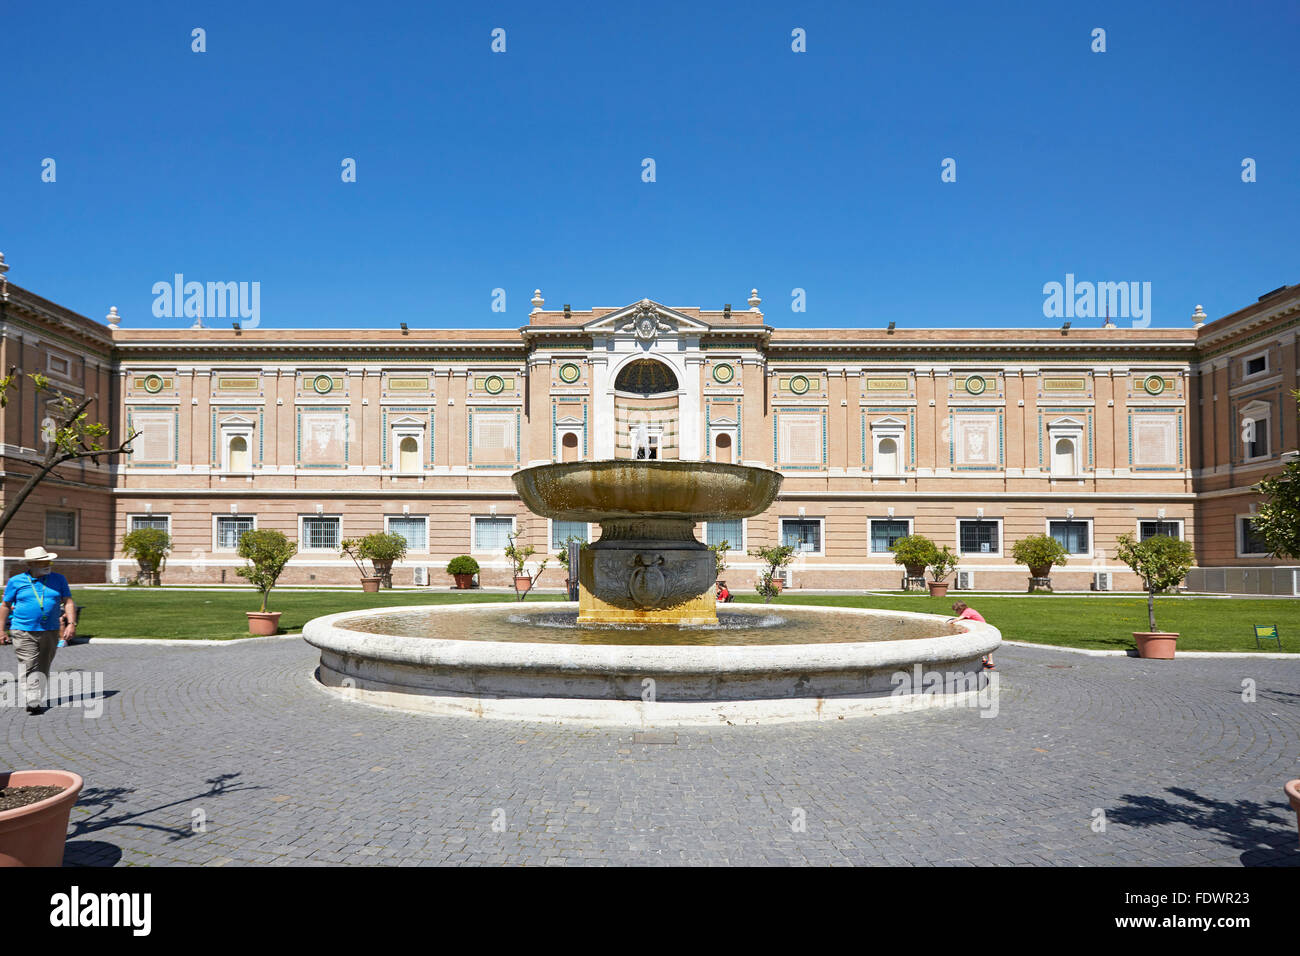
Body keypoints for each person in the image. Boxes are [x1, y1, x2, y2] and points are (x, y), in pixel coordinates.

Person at [2, 547, 76, 715]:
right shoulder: (16, 581)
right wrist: (1, 630)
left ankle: (36, 696)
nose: (47, 565)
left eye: (48, 561)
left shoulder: (59, 579)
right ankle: (32, 699)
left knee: (43, 665)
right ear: (30, 564)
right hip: (22, 630)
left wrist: (71, 623)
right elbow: (5, 605)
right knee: (28, 664)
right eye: (42, 562)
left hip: (50, 631)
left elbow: (68, 602)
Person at [950, 601, 993, 670]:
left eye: (956, 610)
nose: (955, 612)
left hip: (981, 628)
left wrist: (950, 622)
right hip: (979, 627)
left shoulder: (967, 612)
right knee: (978, 643)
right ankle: (983, 659)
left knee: (984, 644)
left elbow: (958, 619)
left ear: (960, 609)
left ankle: (990, 661)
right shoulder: (968, 610)